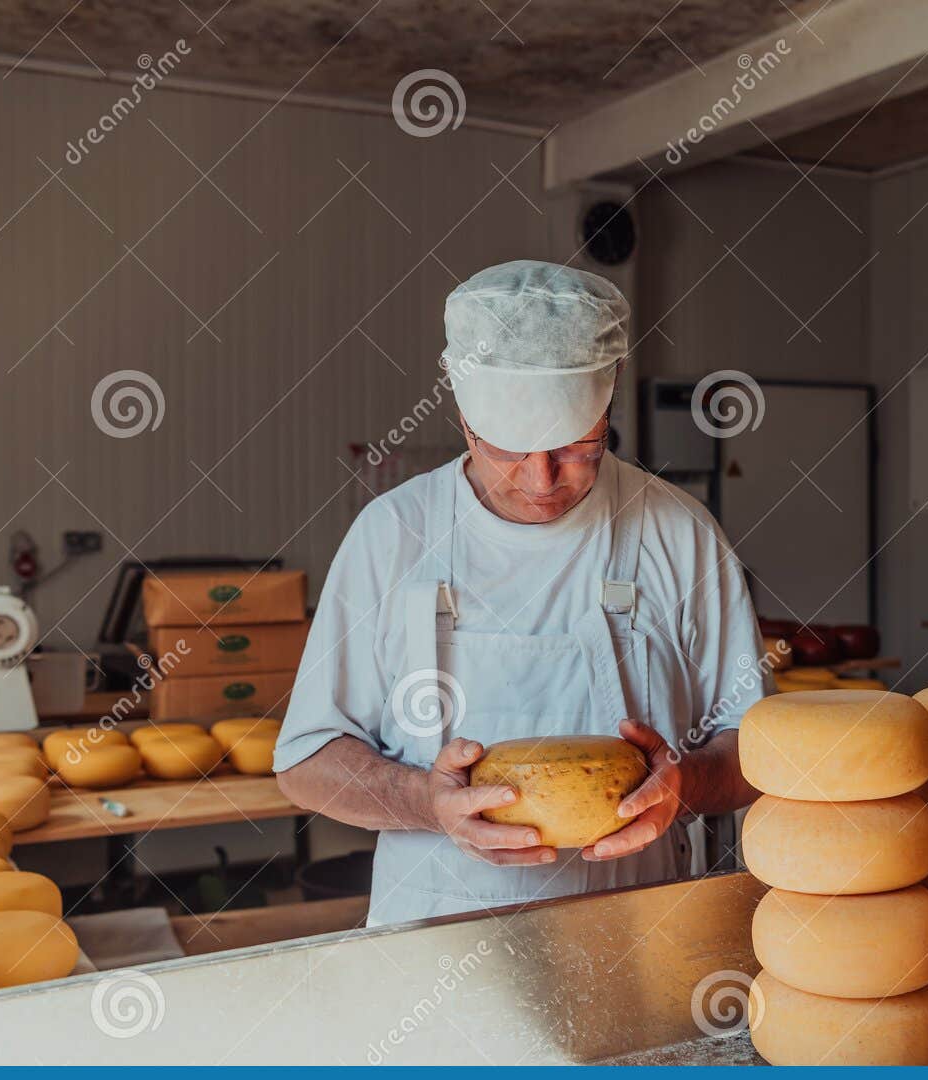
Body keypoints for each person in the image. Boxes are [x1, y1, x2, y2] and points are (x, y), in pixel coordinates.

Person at [275, 259, 765, 926]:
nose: (541, 481)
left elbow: (753, 751)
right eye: (507, 450)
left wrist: (684, 784)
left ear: (610, 392)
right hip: (434, 939)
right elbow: (306, 762)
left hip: (639, 934)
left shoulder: (678, 534)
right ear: (461, 410)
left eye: (575, 447)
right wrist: (428, 802)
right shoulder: (393, 536)